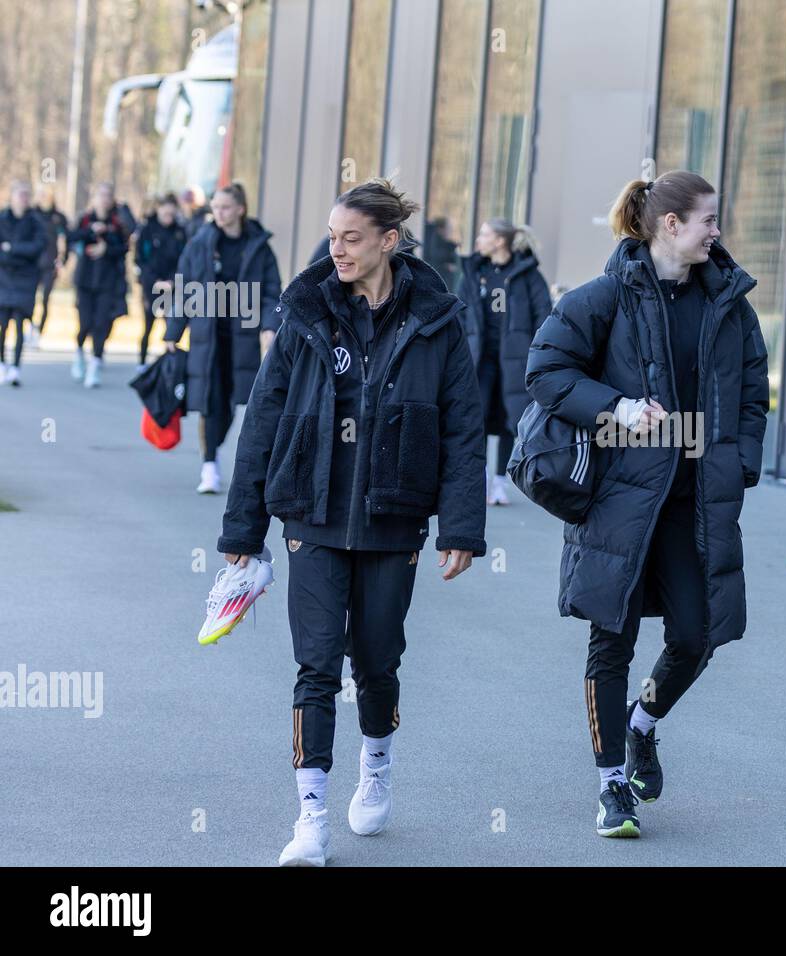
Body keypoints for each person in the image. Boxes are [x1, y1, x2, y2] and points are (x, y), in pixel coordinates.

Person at [214, 178, 486, 866]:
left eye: (351, 238)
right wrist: (242, 533)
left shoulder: (438, 319)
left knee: (376, 662)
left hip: (394, 518)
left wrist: (460, 526)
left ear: (388, 242)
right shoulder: (307, 309)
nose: (336, 249)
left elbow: (462, 428)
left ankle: (377, 767)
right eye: (332, 235)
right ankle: (311, 819)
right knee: (314, 665)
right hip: (310, 512)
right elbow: (264, 419)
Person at [526, 170, 769, 838]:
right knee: (612, 640)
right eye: (708, 220)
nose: (717, 232)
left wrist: (739, 459)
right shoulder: (604, 298)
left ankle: (642, 727)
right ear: (670, 225)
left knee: (697, 635)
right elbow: (545, 370)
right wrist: (617, 406)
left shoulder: (727, 302)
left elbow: (753, 389)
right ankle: (610, 790)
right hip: (619, 500)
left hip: (694, 502)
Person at [163, 183, 283, 494]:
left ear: (240, 209)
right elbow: (185, 287)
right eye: (215, 207)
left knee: (232, 401)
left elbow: (272, 292)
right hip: (208, 335)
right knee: (211, 400)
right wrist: (174, 330)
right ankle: (209, 465)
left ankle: (212, 449)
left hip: (242, 337)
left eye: (226, 207)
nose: (219, 213)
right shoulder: (200, 243)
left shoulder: (258, 246)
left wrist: (269, 325)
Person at [456, 218, 552, 505]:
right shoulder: (474, 272)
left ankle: (500, 483)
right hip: (480, 359)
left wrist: (537, 355)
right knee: (480, 418)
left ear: (500, 241)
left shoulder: (528, 275)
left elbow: (544, 316)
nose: (478, 240)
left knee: (513, 420)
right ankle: (483, 481)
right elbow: (460, 313)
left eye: (484, 234)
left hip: (515, 361)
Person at [66, 183, 130, 388]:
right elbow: (71, 238)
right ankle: (78, 353)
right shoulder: (84, 219)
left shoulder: (117, 222)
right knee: (85, 323)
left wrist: (106, 248)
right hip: (85, 280)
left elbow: (124, 247)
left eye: (108, 196)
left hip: (107, 281)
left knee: (101, 323)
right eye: (101, 195)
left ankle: (95, 364)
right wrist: (89, 232)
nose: (104, 199)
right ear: (94, 197)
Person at [134, 193, 188, 372]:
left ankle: (169, 365)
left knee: (171, 325)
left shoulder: (180, 232)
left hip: (172, 287)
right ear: (159, 209)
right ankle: (142, 361)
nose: (169, 217)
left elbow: (184, 260)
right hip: (151, 285)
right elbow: (140, 259)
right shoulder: (147, 229)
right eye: (166, 213)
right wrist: (153, 281)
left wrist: (172, 281)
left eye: (172, 214)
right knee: (148, 324)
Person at [0, 182, 45, 386]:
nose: (23, 199)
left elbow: (36, 248)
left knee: (20, 324)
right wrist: (14, 253)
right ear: (12, 197)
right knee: (3, 325)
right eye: (20, 195)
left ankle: (16, 367)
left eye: (26, 196)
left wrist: (12, 249)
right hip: (3, 279)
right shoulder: (2, 218)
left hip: (25, 281)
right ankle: (2, 363)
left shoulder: (35, 221)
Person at [31, 185, 68, 345]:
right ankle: (30, 327)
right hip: (32, 264)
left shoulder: (58, 217)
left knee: (45, 299)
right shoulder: (32, 215)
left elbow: (64, 240)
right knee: (30, 298)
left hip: (50, 264)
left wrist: (61, 261)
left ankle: (39, 331)